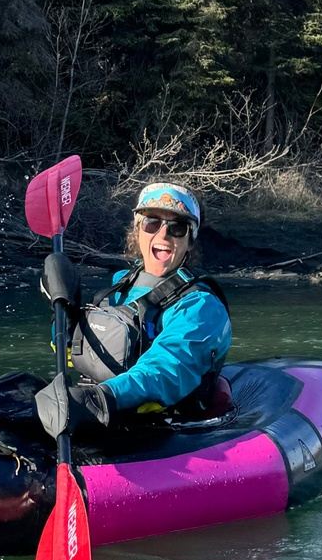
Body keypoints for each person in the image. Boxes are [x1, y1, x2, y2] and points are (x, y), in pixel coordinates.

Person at [35, 183, 232, 437]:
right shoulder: (119, 288)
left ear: (190, 240)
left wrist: (101, 398)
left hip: (163, 430)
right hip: (102, 411)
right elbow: (70, 350)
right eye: (152, 223)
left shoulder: (201, 307)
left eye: (177, 228)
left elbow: (166, 370)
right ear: (138, 230)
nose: (163, 236)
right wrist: (63, 309)